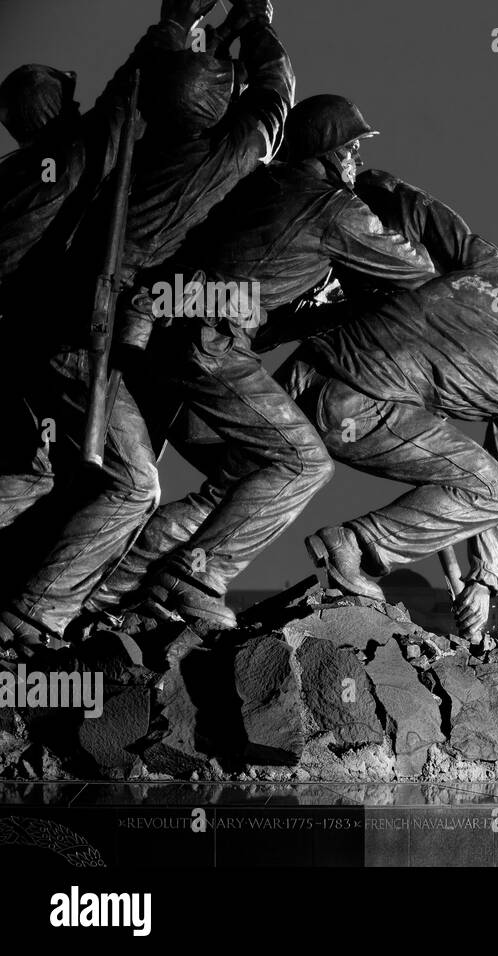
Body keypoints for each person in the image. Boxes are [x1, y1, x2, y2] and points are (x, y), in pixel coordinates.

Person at [0, 0, 291, 657]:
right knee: (129, 484)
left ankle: (63, 592)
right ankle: (28, 622)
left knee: (51, 478)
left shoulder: (69, 167)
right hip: (75, 343)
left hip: (47, 343)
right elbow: (268, 96)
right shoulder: (82, 164)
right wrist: (256, 25)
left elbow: (134, 102)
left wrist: (187, 38)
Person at [85, 93, 439, 631]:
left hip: (172, 332)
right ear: (330, 150)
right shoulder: (336, 209)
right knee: (303, 463)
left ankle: (108, 593)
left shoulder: (265, 184)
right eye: (353, 151)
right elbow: (419, 273)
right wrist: (406, 203)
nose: (357, 163)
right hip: (210, 344)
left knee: (245, 475)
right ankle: (194, 576)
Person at [281, 272, 498, 635]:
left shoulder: (481, 284)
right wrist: (483, 580)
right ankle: (351, 542)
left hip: (303, 373)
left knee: (230, 480)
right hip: (350, 409)